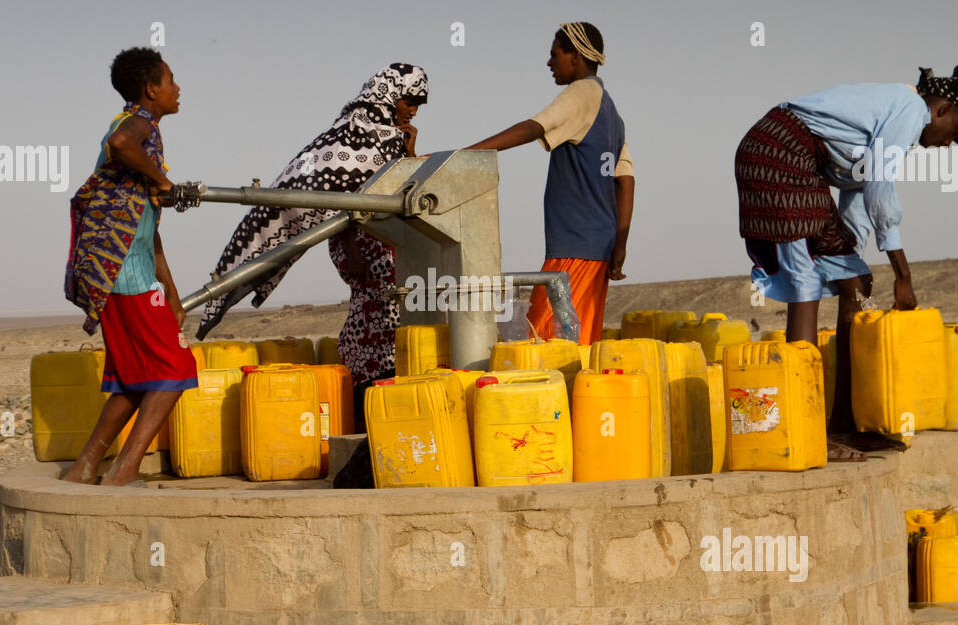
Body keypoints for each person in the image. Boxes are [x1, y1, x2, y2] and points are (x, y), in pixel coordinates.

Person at [735, 63, 958, 455]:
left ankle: (843, 424)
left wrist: (851, 258)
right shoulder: (909, 109)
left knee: (855, 282)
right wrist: (902, 274)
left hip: (799, 164)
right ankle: (807, 431)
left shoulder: (890, 123)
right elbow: (878, 190)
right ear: (939, 111)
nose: (946, 145)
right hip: (778, 152)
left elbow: (857, 199)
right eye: (953, 133)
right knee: (804, 282)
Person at [197, 63, 429, 402]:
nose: (413, 109)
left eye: (419, 103)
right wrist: (351, 248)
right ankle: (372, 393)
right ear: (388, 93)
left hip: (381, 246)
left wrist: (408, 150)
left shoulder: (388, 136)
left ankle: (373, 391)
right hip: (361, 246)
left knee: (385, 312)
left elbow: (402, 189)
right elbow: (349, 196)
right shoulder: (358, 132)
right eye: (409, 99)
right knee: (381, 314)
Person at [61, 47, 197, 486]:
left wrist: (172, 293)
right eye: (171, 80)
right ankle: (125, 470)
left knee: (132, 379)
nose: (178, 89)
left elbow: (145, 228)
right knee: (177, 367)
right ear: (151, 89)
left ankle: (84, 468)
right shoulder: (135, 126)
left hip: (119, 271)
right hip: (126, 275)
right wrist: (162, 180)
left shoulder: (141, 133)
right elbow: (122, 146)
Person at [461, 22, 634, 346]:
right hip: (598, 248)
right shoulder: (612, 113)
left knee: (545, 346)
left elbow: (533, 128)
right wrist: (620, 245)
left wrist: (464, 155)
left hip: (573, 248)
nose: (549, 62)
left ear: (576, 56)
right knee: (576, 347)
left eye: (554, 54)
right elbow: (624, 180)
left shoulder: (582, 92)